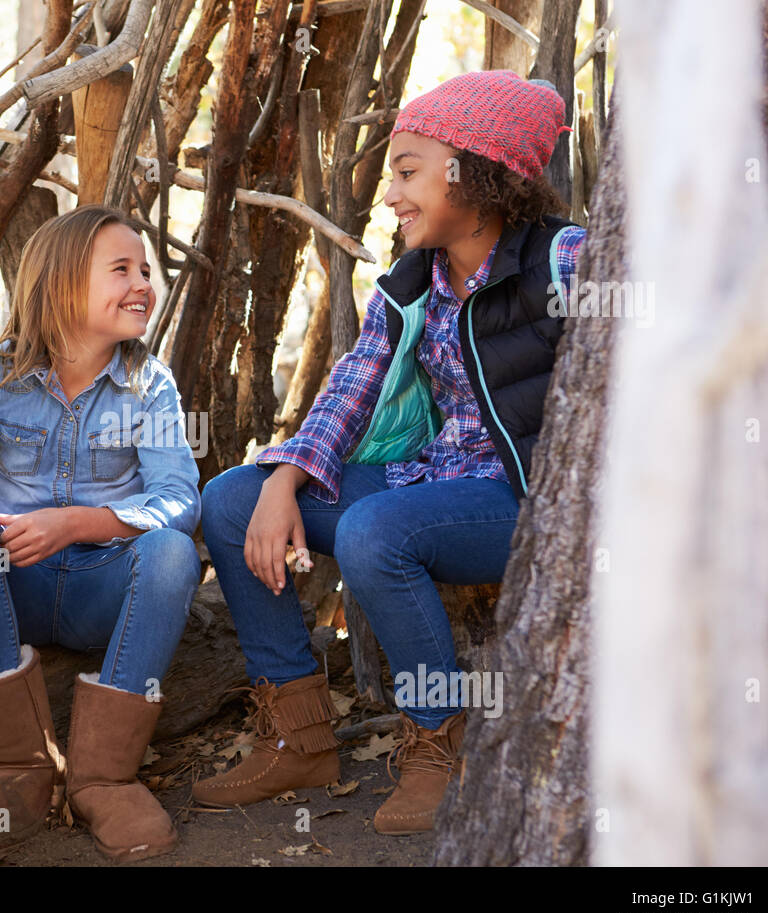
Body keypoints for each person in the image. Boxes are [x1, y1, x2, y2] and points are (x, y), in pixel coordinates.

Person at [194, 71, 587, 834]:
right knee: (231, 499)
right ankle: (298, 735)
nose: (391, 195)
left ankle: (440, 746)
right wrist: (284, 480)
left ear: (474, 169)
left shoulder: (563, 258)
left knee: (380, 530)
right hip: (436, 484)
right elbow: (349, 392)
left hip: (527, 500)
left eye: (408, 171)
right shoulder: (412, 284)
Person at [0, 204, 201, 862]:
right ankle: (18, 767)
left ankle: (103, 777)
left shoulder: (149, 386)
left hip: (104, 591)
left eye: (146, 270)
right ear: (62, 282)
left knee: (173, 551)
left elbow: (179, 498)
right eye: (121, 269)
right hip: (12, 590)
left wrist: (75, 523)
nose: (143, 284)